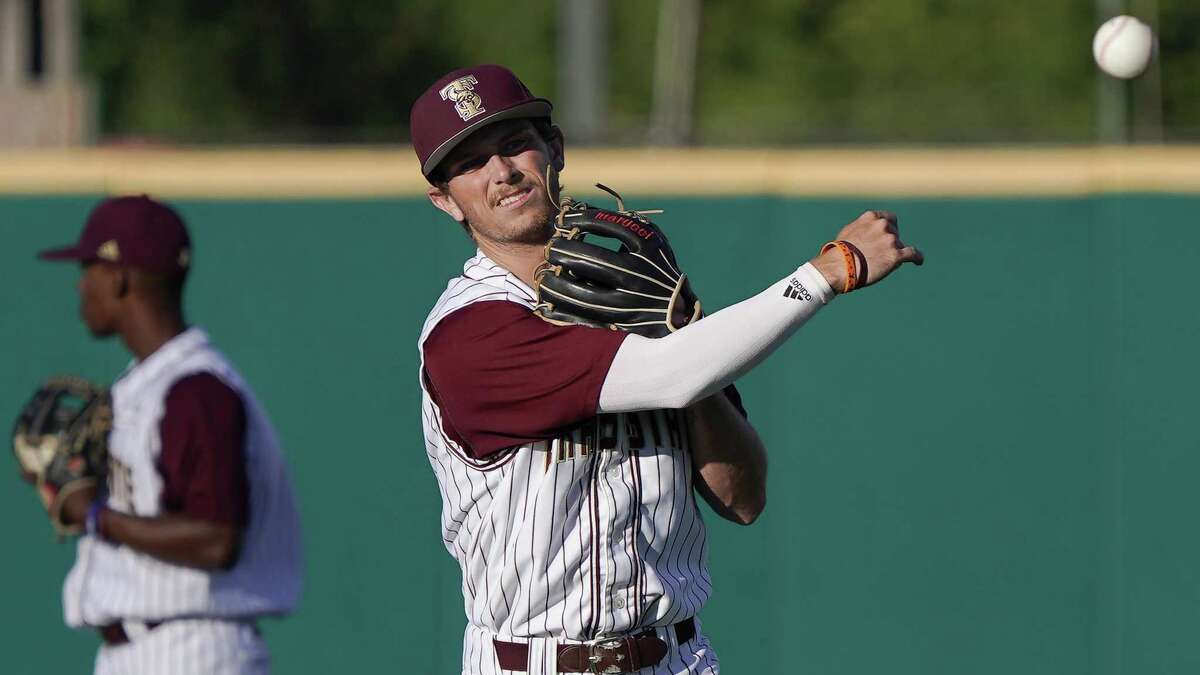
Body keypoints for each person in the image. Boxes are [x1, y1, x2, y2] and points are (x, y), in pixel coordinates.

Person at [410, 64, 922, 675]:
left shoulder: (638, 297)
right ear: (445, 201)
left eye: (513, 143)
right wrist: (826, 272)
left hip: (678, 656)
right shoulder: (469, 334)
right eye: (470, 164)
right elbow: (668, 374)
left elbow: (743, 497)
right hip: (537, 662)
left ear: (555, 149)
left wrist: (685, 354)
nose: (502, 173)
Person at [37, 195, 303, 675]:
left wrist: (93, 514)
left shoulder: (196, 392)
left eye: (89, 267)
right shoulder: (149, 384)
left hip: (190, 650)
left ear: (119, 276)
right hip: (143, 649)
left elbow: (215, 540)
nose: (81, 283)